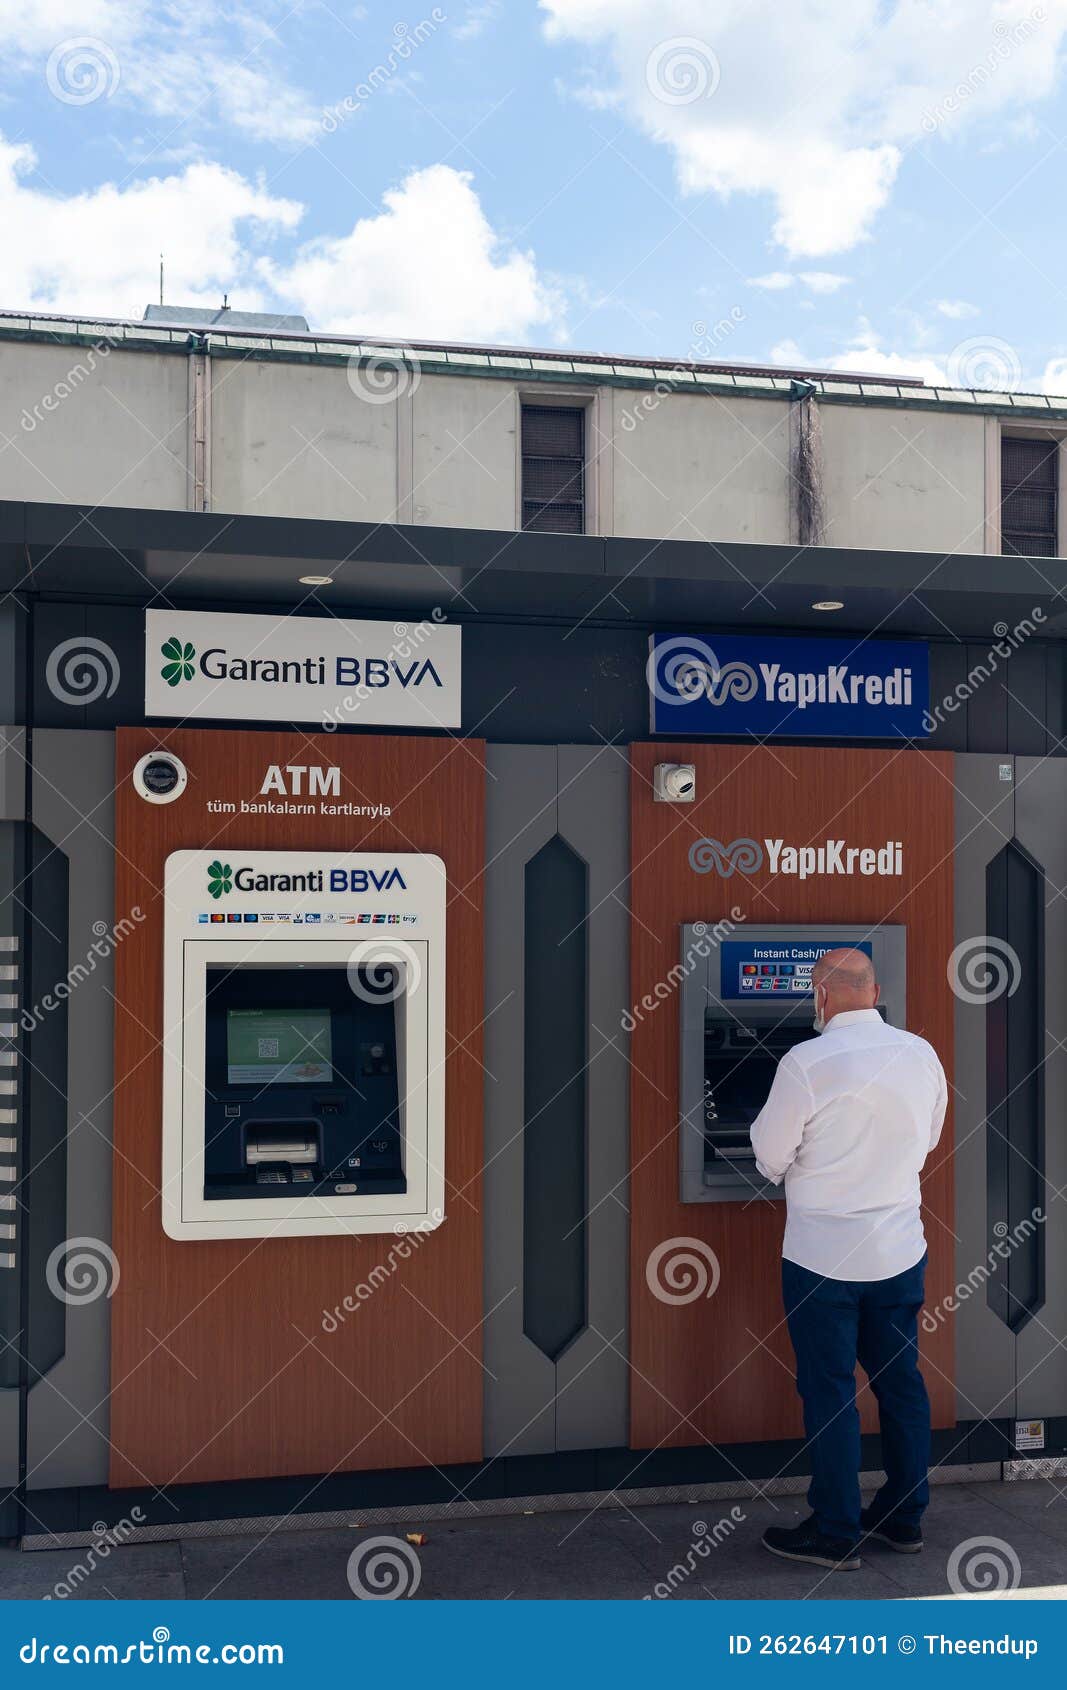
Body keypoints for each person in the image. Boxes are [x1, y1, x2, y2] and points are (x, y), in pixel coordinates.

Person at [750, 947, 948, 1571]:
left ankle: (836, 1531)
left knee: (830, 1390)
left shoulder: (806, 1062)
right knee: (901, 1384)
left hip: (822, 1261)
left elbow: (769, 1154)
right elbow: (930, 1138)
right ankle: (903, 1517)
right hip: (898, 1251)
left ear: (821, 997)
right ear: (875, 990)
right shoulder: (921, 1054)